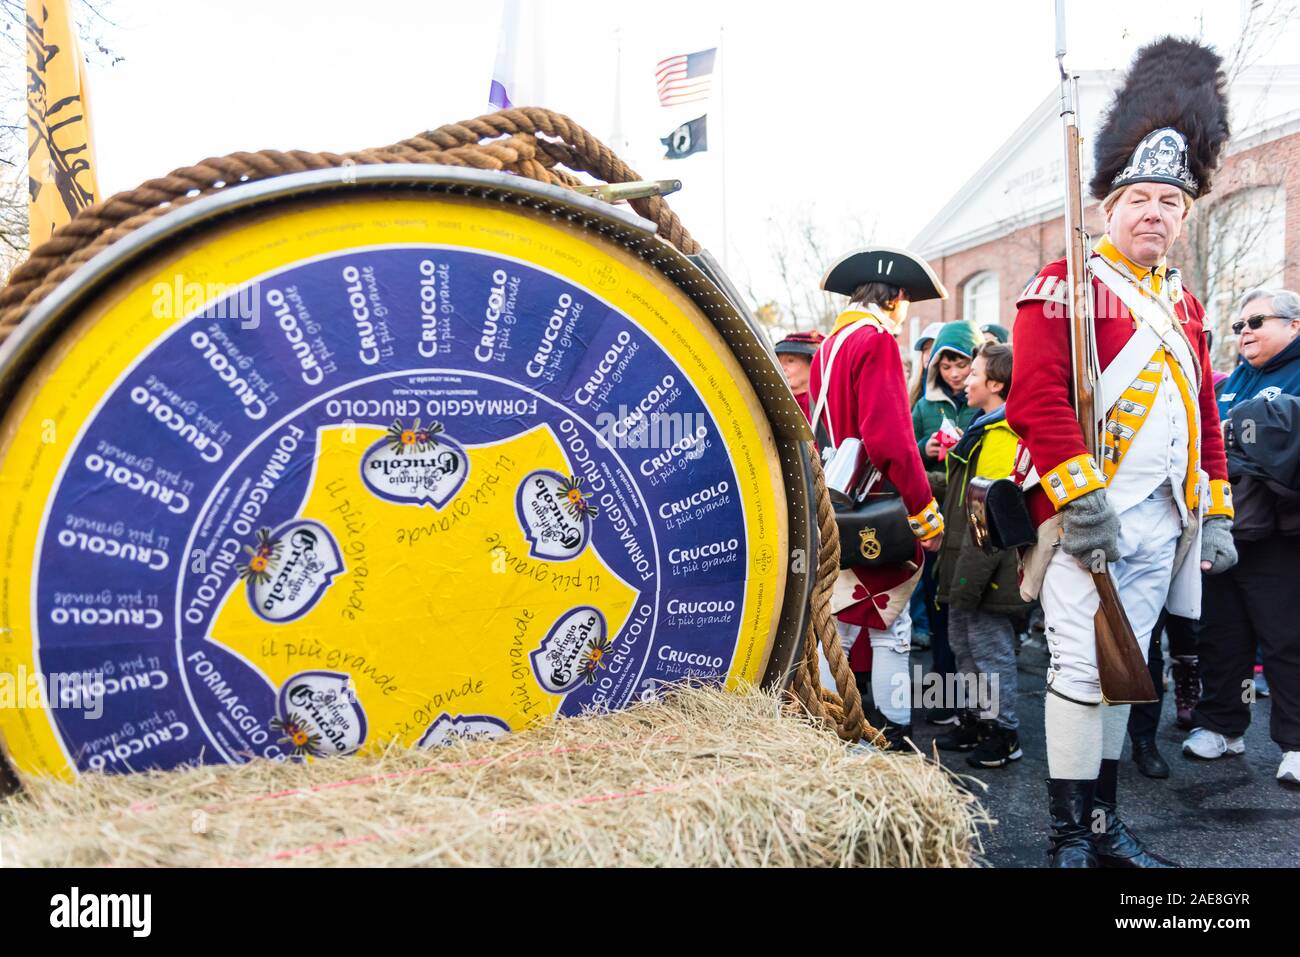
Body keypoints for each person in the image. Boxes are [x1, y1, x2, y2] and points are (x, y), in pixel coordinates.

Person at [1005, 37, 1235, 867]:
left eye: (1169, 202)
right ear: (1109, 207)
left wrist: (1212, 512)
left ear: (1184, 215)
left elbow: (1203, 414)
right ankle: (1070, 837)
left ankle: (1105, 832)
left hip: (1163, 523)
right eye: (1138, 197)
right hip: (1087, 520)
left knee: (1121, 670)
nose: (1154, 212)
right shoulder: (1066, 283)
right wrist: (1081, 499)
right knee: (1079, 666)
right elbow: (1033, 398)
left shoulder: (1187, 304)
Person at [810, 247, 948, 748]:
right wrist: (924, 514)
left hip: (836, 501)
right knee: (891, 625)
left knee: (843, 623)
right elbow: (890, 439)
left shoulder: (831, 344)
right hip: (876, 507)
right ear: (899, 299)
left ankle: (830, 729)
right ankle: (894, 735)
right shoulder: (876, 341)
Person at [1183, 288, 1300, 788]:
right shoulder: (1233, 378)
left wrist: (1244, 441)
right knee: (1221, 636)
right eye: (1238, 326)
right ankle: (1221, 726)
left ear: (1294, 324)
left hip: (1281, 536)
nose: (1245, 332)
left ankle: (1295, 743)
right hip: (1225, 530)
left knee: (1286, 642)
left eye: (1256, 321)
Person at [934, 342, 1032, 767]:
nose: (965, 380)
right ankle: (976, 716)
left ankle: (1004, 730)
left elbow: (988, 511)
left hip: (986, 565)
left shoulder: (1001, 434)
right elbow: (961, 492)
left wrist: (967, 581)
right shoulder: (982, 425)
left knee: (989, 650)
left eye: (974, 374)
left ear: (996, 384)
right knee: (964, 644)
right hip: (966, 560)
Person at [774, 330, 825, 424]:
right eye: (778, 361)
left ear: (813, 364)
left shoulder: (825, 404)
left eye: (790, 361)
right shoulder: (774, 403)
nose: (782, 368)